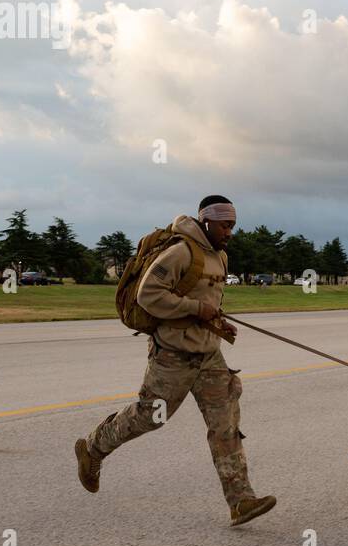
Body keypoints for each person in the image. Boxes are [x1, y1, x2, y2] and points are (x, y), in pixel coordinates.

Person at [75, 196, 276, 526]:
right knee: (149, 417)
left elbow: (205, 300)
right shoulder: (181, 250)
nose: (230, 232)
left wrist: (216, 321)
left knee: (225, 426)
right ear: (207, 221)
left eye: (234, 226)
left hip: (209, 356)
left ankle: (241, 501)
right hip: (173, 356)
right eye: (225, 225)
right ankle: (94, 447)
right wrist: (197, 310)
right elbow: (148, 295)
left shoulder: (220, 256)